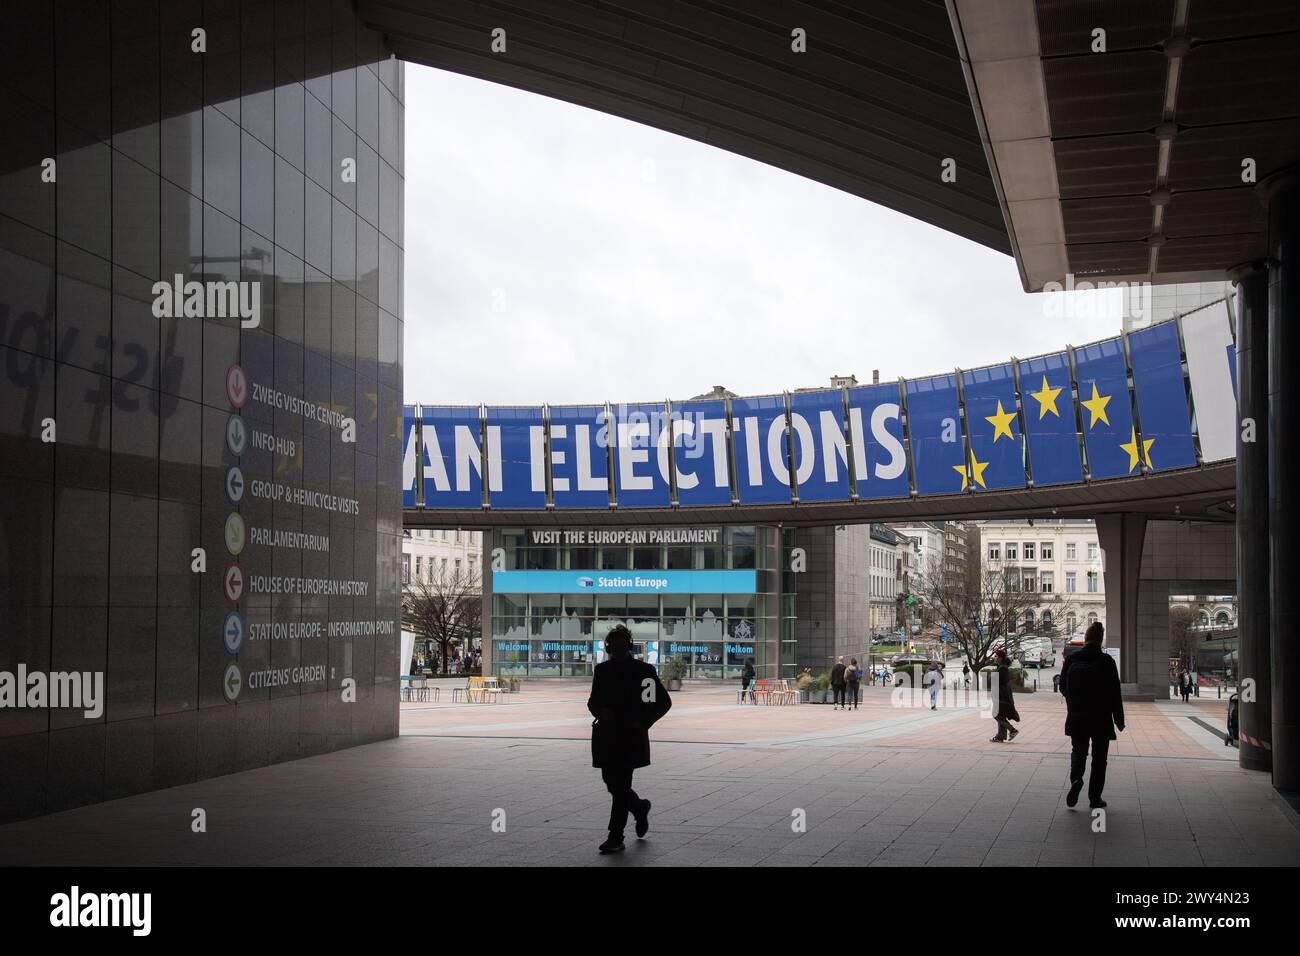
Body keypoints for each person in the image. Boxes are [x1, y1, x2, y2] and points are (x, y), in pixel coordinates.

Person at [588, 624, 672, 854]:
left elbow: (662, 702)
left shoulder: (643, 670)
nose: (616, 648)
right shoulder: (602, 671)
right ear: (608, 647)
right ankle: (639, 807)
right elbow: (592, 702)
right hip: (607, 735)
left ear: (629, 646)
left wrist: (643, 722)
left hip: (629, 736)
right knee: (612, 783)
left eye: (620, 644)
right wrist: (599, 712)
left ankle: (615, 836)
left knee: (621, 785)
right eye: (612, 645)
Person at [1059, 621, 1124, 809]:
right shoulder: (1107, 661)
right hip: (1101, 718)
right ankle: (1095, 797)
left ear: (1086, 638)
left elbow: (1062, 685)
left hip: (1077, 717)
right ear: (1100, 639)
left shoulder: (1072, 659)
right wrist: (1119, 719)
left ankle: (1076, 780)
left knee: (1078, 752)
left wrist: (1073, 702)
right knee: (1099, 758)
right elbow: (1115, 692)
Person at [989, 649, 1020, 742]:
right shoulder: (1001, 667)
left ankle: (1012, 730)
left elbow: (994, 681)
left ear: (1000, 658)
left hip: (1001, 695)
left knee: (996, 715)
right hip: (1002, 694)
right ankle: (1000, 736)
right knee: (1000, 715)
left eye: (996, 656)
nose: (994, 658)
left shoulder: (1002, 668)